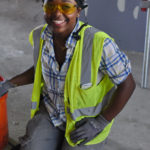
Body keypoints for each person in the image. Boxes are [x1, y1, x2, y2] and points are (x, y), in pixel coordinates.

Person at [0, 0, 136, 149]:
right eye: (51, 6)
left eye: (66, 7)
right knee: (31, 146)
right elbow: (41, 69)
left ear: (78, 10)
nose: (57, 13)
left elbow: (127, 84)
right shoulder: (40, 35)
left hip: (84, 122)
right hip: (52, 113)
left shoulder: (100, 43)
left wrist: (100, 123)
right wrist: (9, 83)